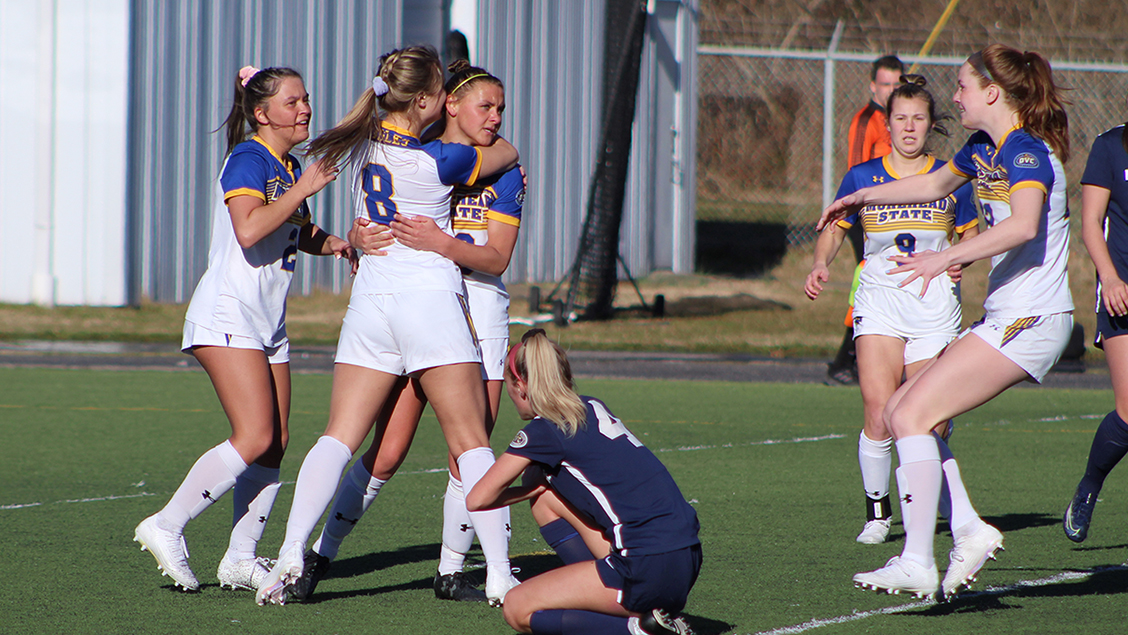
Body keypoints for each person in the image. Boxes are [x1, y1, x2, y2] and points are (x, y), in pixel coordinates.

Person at [253, 45, 522, 607]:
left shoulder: (358, 142)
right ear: (426, 100)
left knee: (337, 437)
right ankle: (498, 573)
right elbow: (505, 153)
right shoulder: (441, 161)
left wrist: (358, 228)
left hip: (371, 302)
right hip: (429, 301)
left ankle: (289, 558)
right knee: (472, 442)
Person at [819, 44, 1072, 599]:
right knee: (904, 411)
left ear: (992, 93)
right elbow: (933, 187)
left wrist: (948, 256)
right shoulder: (986, 145)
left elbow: (1025, 225)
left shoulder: (1026, 152)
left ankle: (917, 558)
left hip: (1033, 319)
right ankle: (967, 529)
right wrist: (860, 195)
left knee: (908, 412)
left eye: (961, 86)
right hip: (1007, 316)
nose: (953, 96)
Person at [133, 65, 362, 592]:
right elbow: (250, 226)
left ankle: (240, 557)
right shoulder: (249, 157)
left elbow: (293, 230)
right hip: (228, 314)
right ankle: (167, 524)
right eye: (292, 102)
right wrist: (304, 186)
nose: (305, 108)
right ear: (262, 114)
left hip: (267, 323)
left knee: (276, 441)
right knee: (254, 434)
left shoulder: (284, 163)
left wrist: (336, 244)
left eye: (306, 98)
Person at [805, 75, 979, 546]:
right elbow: (836, 226)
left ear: (931, 124)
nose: (908, 127)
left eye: (918, 118)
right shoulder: (863, 177)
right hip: (879, 304)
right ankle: (879, 515)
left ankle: (922, 502)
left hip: (935, 309)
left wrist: (961, 257)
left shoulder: (953, 176)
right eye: (900, 118)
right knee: (879, 411)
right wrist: (821, 263)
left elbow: (969, 236)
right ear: (887, 123)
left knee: (931, 417)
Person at [466, 329, 702, 635]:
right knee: (546, 498)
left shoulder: (542, 431)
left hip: (644, 568)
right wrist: (538, 487)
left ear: (522, 386)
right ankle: (630, 610)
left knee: (517, 607)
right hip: (686, 558)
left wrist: (529, 489)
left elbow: (477, 499)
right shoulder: (593, 405)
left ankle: (637, 630)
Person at [1063, 117, 1128, 542]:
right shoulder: (1109, 146)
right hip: (1122, 292)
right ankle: (1089, 486)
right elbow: (1091, 223)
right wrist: (1110, 277)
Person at [828, 55, 906, 386]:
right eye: (885, 84)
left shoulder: (899, 119)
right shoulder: (867, 121)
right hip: (867, 215)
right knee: (868, 279)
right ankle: (845, 359)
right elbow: (858, 170)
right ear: (873, 86)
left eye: (896, 84)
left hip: (894, 213)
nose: (890, 91)